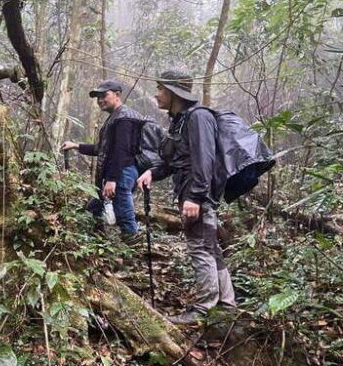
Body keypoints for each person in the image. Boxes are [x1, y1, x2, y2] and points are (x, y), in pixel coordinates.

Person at [136, 70, 236, 324]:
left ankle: (203, 309)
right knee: (209, 247)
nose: (157, 94)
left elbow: (205, 159)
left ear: (173, 92)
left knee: (200, 247)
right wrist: (152, 172)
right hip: (192, 193)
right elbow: (175, 161)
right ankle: (226, 304)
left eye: (160, 89)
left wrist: (196, 197)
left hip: (197, 195)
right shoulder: (180, 121)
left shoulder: (198, 117)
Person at [62, 79, 145, 241]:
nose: (100, 100)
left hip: (122, 171)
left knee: (123, 210)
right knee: (94, 207)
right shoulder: (115, 117)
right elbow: (103, 149)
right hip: (118, 171)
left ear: (117, 95)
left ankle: (132, 241)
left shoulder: (124, 118)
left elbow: (121, 151)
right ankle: (95, 237)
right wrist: (76, 145)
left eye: (104, 95)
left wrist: (112, 179)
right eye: (98, 97)